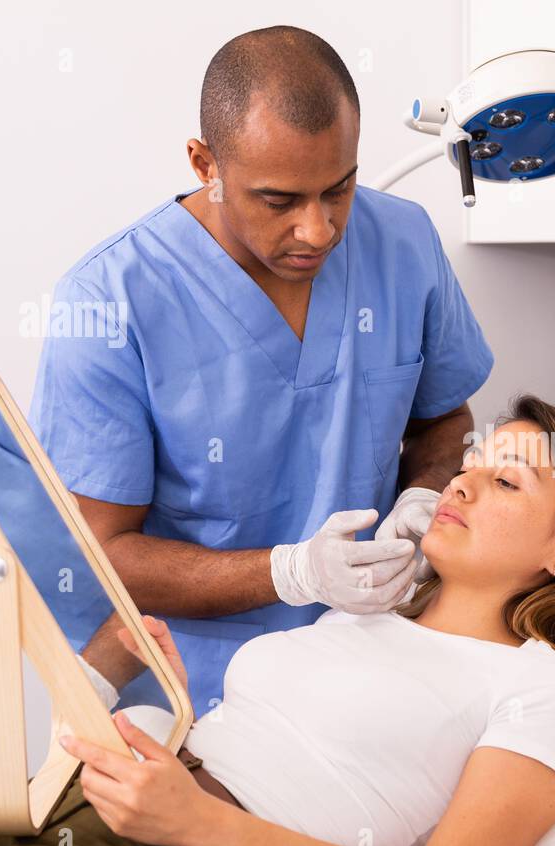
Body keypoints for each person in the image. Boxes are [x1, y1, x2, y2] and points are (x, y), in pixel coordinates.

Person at [0, 397, 555, 846]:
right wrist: (115, 665)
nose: (460, 486)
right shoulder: (362, 614)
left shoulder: (546, 686)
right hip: (80, 789)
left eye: (507, 484)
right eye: (472, 467)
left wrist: (193, 824)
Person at [28, 25, 494, 719]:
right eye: (279, 201)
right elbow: (102, 557)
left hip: (372, 679)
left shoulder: (403, 242)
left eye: (339, 187)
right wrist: (293, 572)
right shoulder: (110, 301)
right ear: (203, 163)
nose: (319, 230)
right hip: (198, 707)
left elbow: (442, 420)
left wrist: (423, 502)